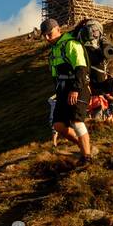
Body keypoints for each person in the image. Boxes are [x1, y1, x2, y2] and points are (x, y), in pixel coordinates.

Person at [40, 18, 92, 160]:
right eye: (44, 35)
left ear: (58, 30)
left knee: (77, 121)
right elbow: (55, 76)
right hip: (62, 91)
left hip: (78, 88)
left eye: (49, 34)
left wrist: (75, 89)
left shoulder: (71, 44)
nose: (46, 37)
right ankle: (84, 146)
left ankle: (87, 157)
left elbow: (81, 68)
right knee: (58, 125)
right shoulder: (54, 49)